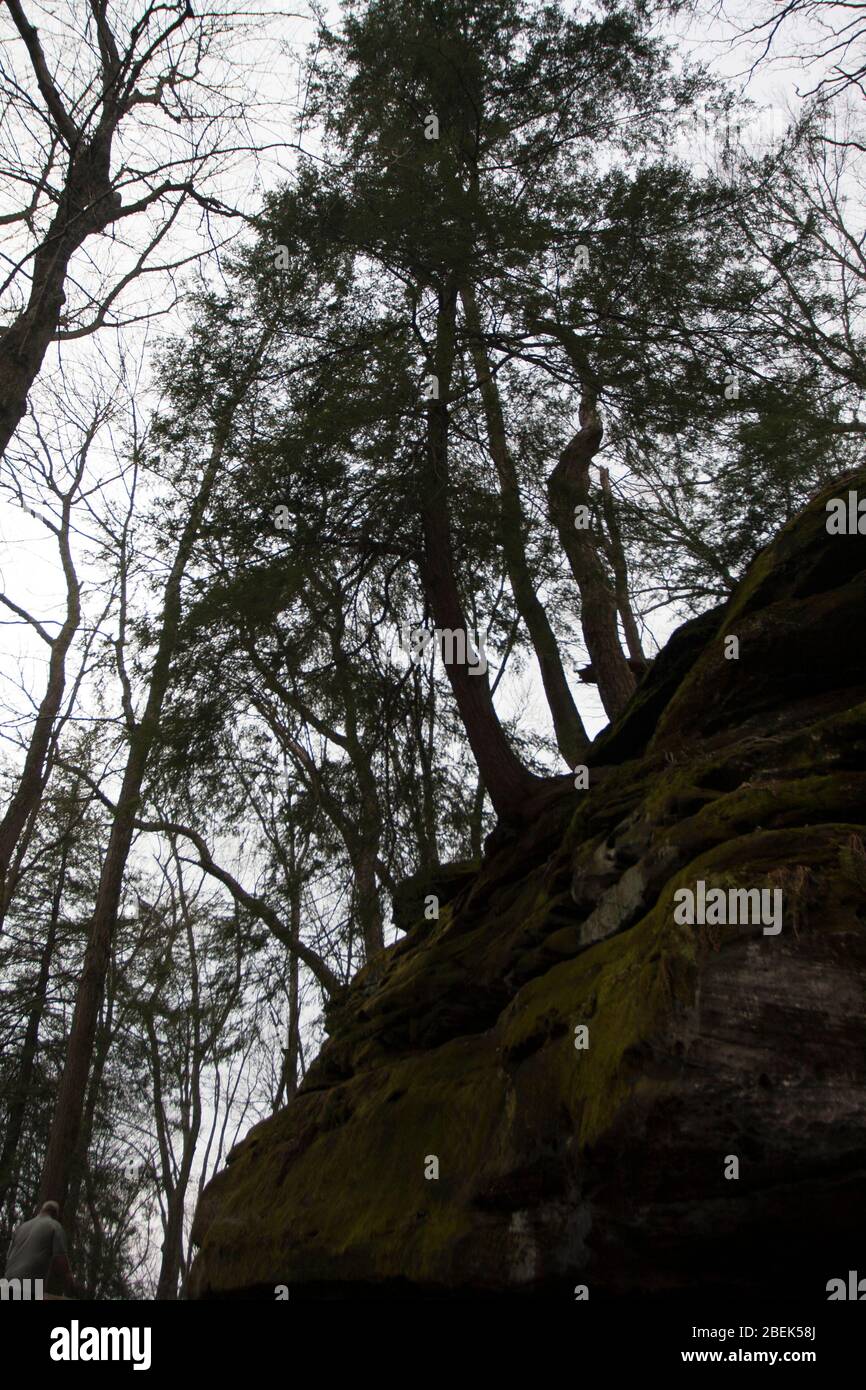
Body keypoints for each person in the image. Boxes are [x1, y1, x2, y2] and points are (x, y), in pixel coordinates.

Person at [4, 1200, 77, 1298]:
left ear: (42, 1210)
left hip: (8, 1282)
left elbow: (9, 1256)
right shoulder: (54, 1226)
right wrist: (71, 1287)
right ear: (56, 1214)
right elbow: (61, 1262)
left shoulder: (22, 1227)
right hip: (29, 1286)